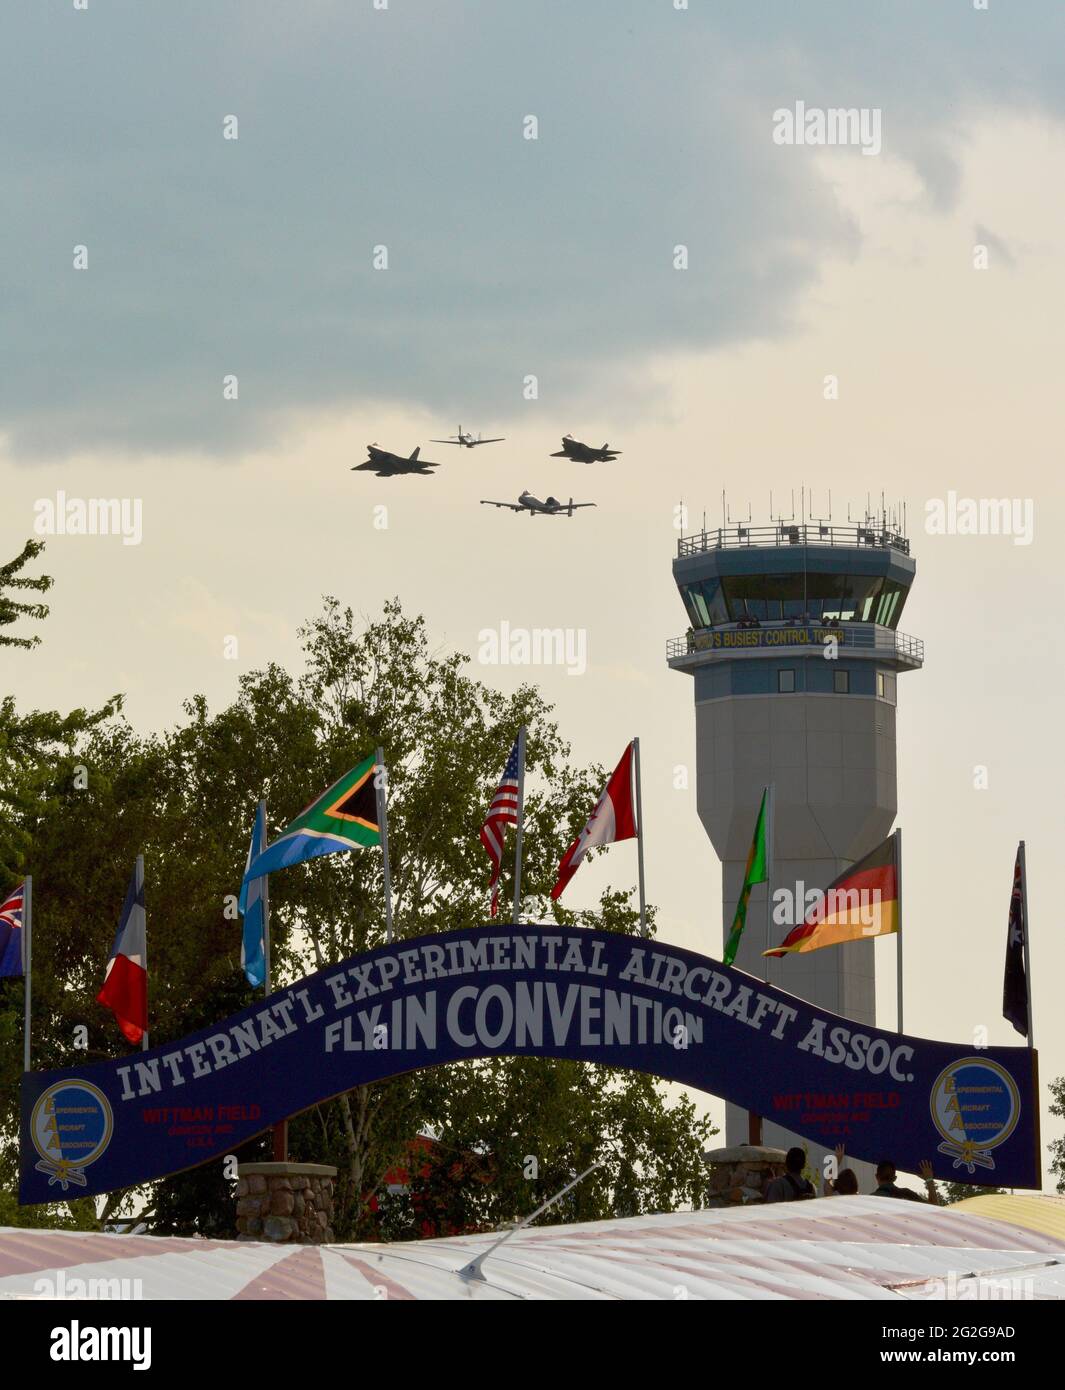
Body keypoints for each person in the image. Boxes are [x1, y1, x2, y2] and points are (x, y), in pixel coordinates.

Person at [871, 1158, 941, 1205]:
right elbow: (934, 1206)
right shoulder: (907, 1194)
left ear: (876, 1177)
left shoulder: (869, 1200)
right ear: (895, 1178)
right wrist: (929, 1179)